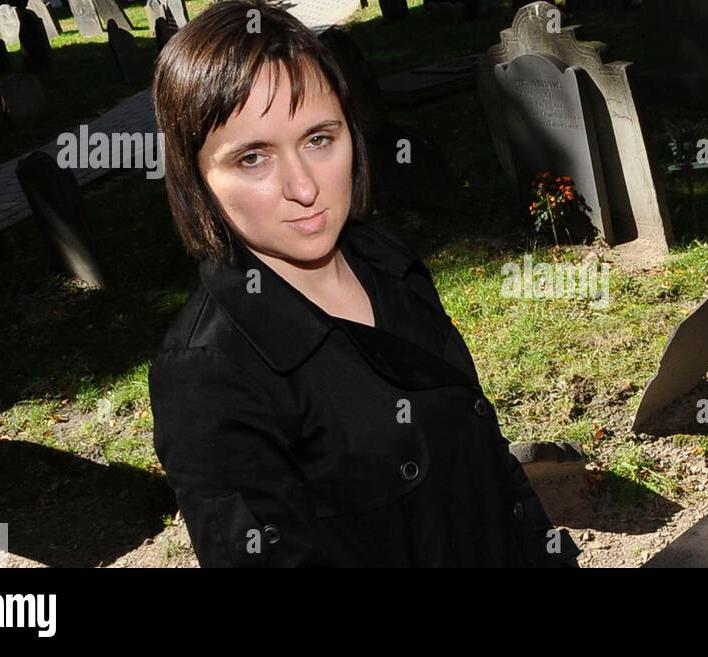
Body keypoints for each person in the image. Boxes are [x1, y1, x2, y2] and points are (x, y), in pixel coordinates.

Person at [147, 0, 578, 567]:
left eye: (319, 139)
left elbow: (485, 458)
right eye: (253, 158)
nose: (304, 187)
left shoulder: (384, 261)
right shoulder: (209, 374)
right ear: (195, 176)